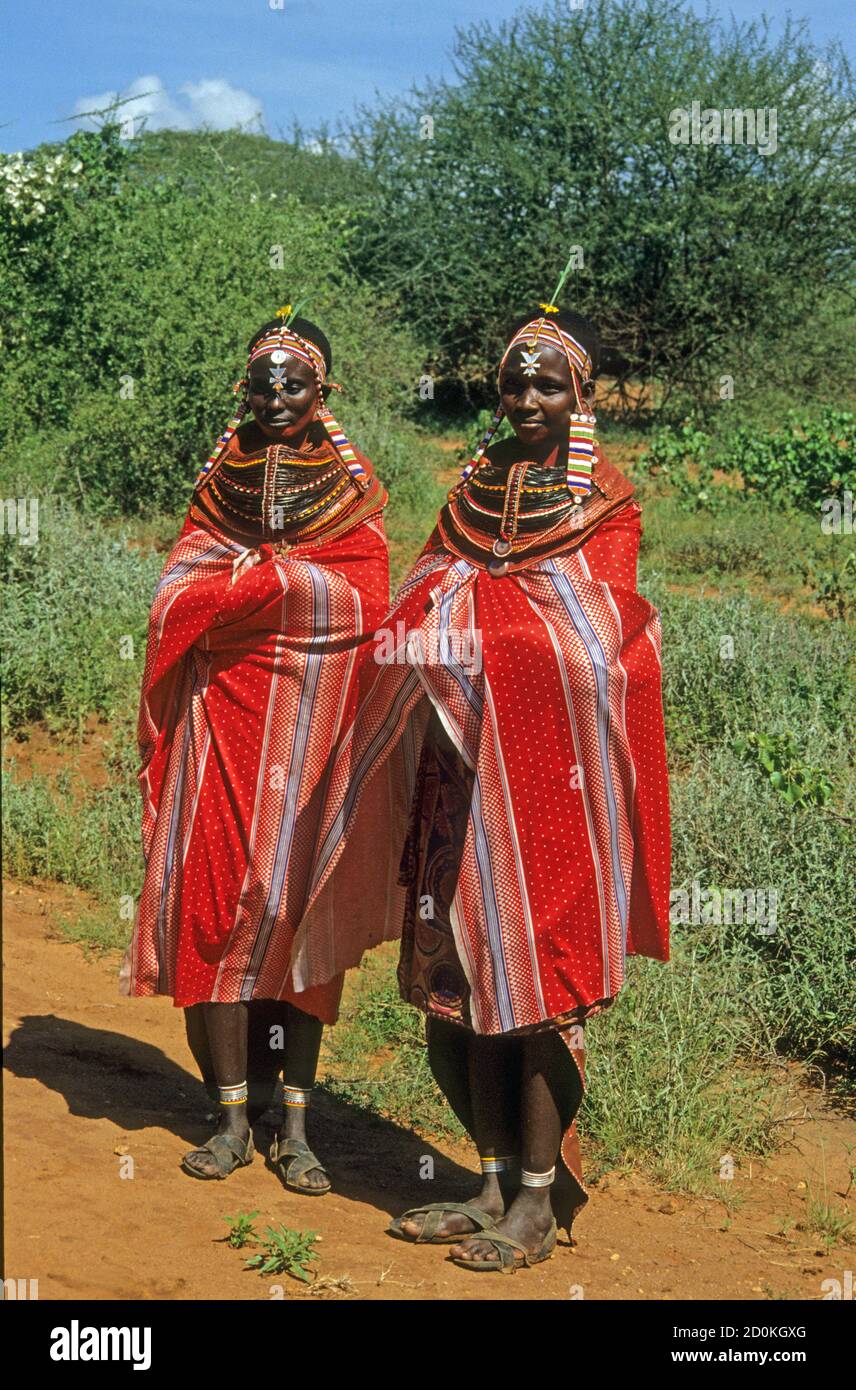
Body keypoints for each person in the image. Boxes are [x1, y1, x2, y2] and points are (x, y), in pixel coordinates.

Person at [288, 286, 671, 1269]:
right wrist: (461, 609)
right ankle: (491, 1176)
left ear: (581, 394)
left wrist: (479, 618)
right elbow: (416, 604)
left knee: (531, 996)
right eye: (513, 382)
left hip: (551, 792)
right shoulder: (470, 494)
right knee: (453, 1000)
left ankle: (537, 1203)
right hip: (455, 783)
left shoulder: (604, 499)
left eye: (548, 382)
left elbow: (601, 644)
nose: (527, 397)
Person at [120, 306, 390, 1195]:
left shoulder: (354, 493)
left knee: (294, 912)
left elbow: (360, 602)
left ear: (325, 389)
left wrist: (257, 584)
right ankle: (230, 1117)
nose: (279, 395)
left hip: (312, 727)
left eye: (297, 380)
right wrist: (255, 586)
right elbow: (176, 598)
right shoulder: (220, 482)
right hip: (220, 718)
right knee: (211, 905)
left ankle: (296, 1128)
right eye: (264, 380)